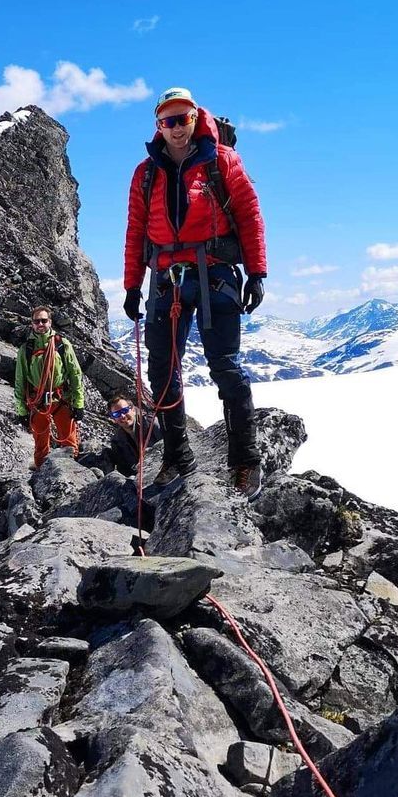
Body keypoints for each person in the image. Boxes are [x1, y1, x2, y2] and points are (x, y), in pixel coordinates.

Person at [122, 87, 267, 500]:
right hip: (167, 279)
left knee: (224, 366)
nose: (176, 128)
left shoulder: (222, 161)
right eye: (168, 121)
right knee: (162, 369)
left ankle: (244, 460)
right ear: (158, 126)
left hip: (216, 274)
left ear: (195, 118)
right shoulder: (145, 173)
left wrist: (256, 272)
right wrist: (132, 285)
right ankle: (177, 456)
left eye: (182, 119)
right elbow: (135, 231)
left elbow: (249, 215)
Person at [14, 306, 85, 467]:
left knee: (69, 442)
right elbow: (20, 380)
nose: (40, 324)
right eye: (36, 321)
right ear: (32, 324)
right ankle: (40, 475)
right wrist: (21, 410)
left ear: (50, 322)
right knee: (40, 445)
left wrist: (79, 404)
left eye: (44, 320)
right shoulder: (26, 349)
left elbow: (75, 374)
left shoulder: (62, 344)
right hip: (38, 402)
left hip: (62, 399)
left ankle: (73, 475)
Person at [80, 394, 162, 478]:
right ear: (113, 418)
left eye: (124, 410)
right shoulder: (117, 441)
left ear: (133, 409)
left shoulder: (152, 424)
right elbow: (124, 469)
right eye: (117, 414)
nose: (122, 416)